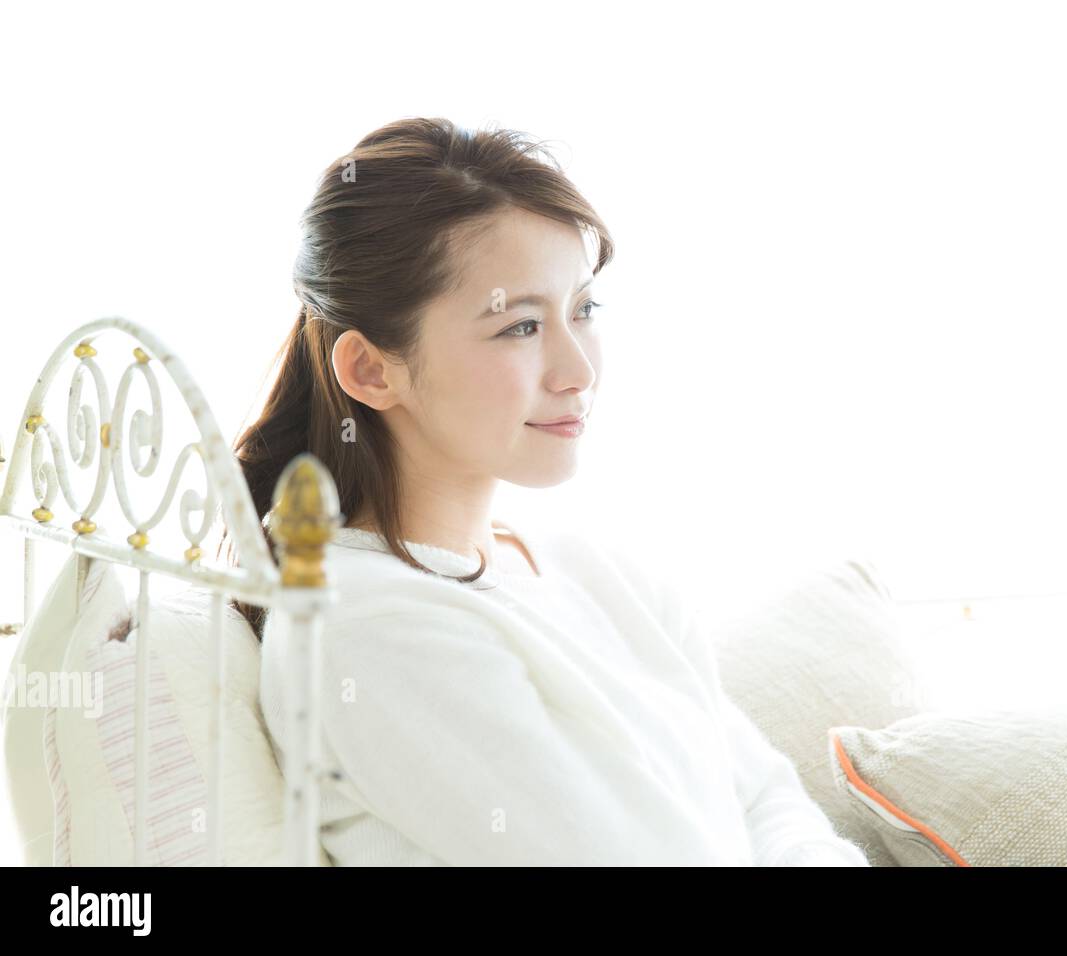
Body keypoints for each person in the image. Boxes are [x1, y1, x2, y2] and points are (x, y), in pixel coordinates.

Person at [222, 117, 869, 866]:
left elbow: (767, 797)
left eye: (583, 310)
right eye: (521, 326)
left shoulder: (596, 568)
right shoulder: (362, 624)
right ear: (372, 371)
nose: (578, 370)